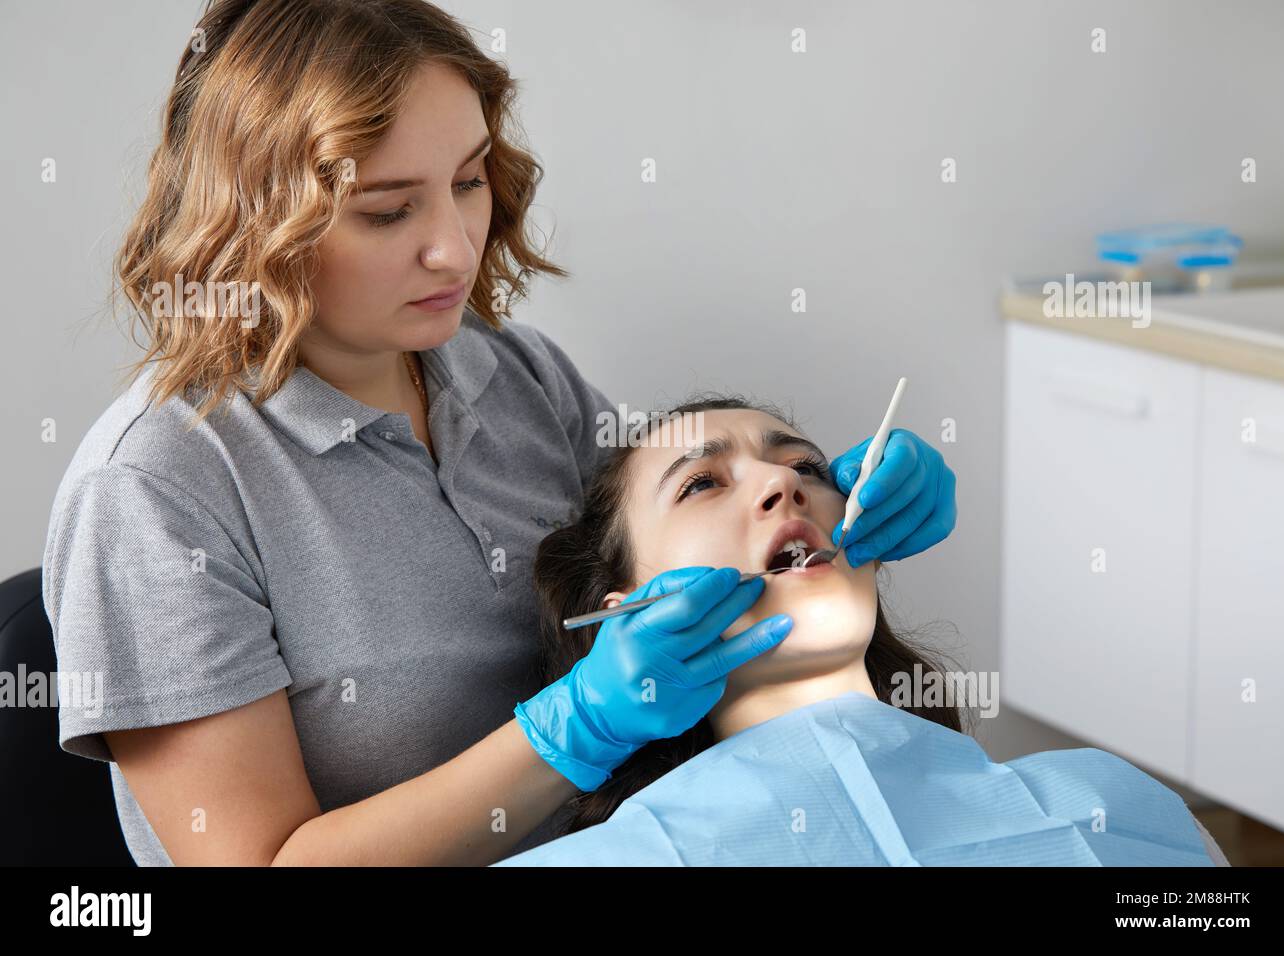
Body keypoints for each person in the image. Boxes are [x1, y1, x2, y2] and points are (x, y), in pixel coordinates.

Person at [41, 0, 958, 866]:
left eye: (470, 180)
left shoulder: (513, 374)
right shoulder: (155, 492)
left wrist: (822, 489)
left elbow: (664, 524)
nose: (453, 245)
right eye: (389, 210)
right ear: (253, 229)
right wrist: (579, 726)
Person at [497, 396, 1229, 866]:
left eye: (806, 466)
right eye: (702, 483)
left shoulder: (1118, 807)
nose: (784, 485)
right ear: (627, 610)